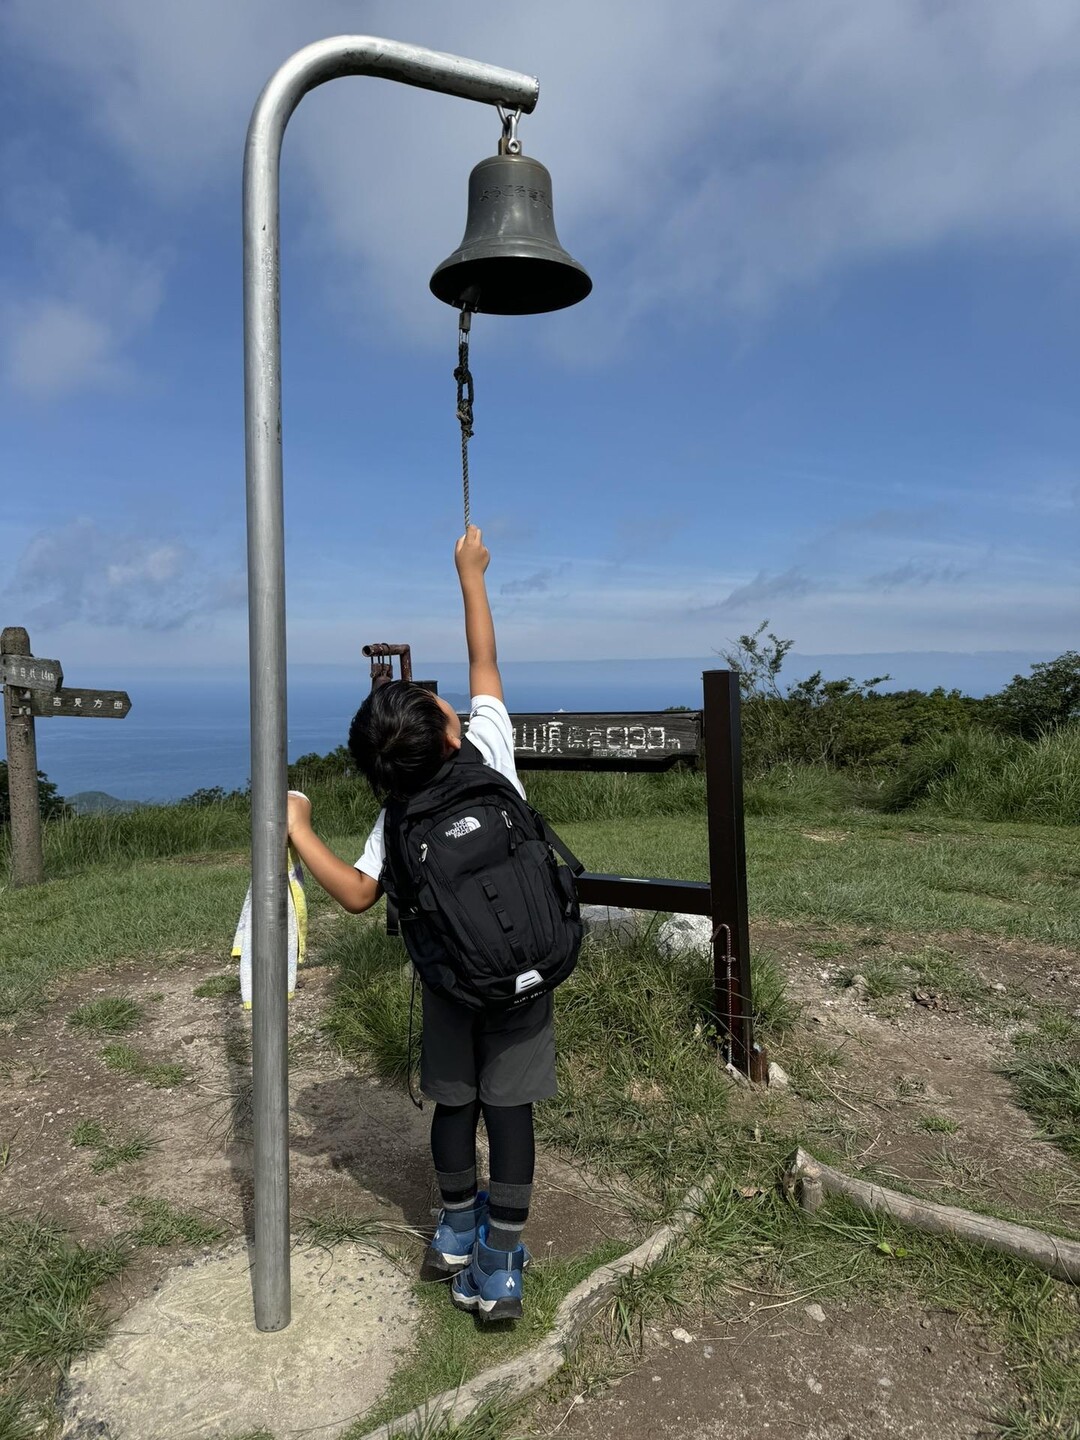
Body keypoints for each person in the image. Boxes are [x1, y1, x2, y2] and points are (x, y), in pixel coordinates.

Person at [286, 526, 552, 1323]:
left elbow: (361, 896)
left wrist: (299, 829)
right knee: (512, 1114)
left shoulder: (395, 819)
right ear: (448, 731)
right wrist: (470, 574)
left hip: (447, 983)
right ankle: (501, 1266)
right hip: (524, 976)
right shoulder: (491, 757)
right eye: (443, 707)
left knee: (455, 1107)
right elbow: (485, 661)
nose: (452, 702)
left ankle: (454, 1235)